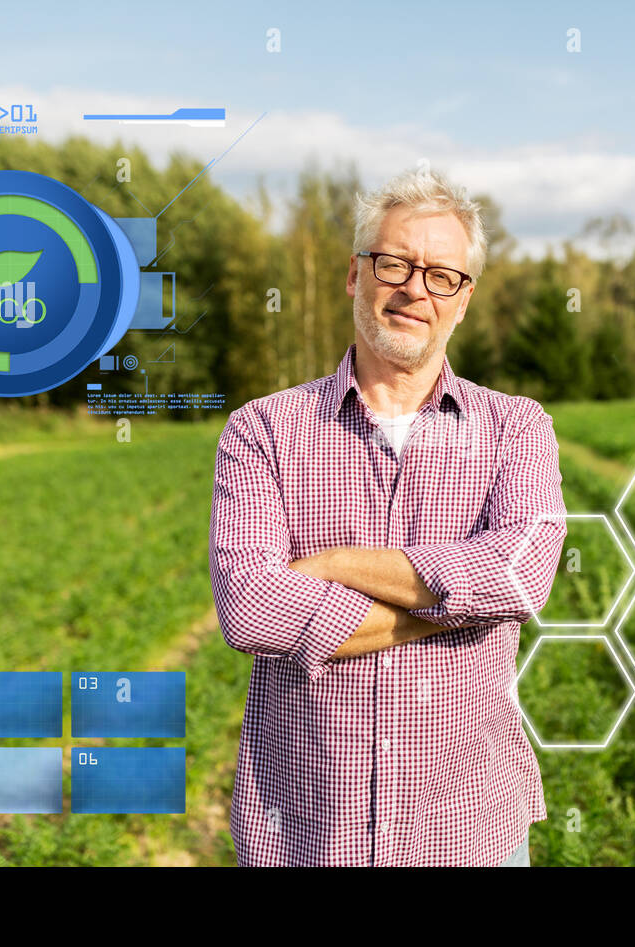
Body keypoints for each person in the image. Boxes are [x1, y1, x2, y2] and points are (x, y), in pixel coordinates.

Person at [209, 167, 567, 866]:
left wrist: (336, 566)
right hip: (307, 831)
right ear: (354, 275)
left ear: (463, 302)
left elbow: (522, 578)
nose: (414, 289)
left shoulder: (517, 428)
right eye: (395, 263)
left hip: (468, 830)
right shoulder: (263, 430)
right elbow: (250, 607)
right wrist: (457, 603)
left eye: (442, 276)